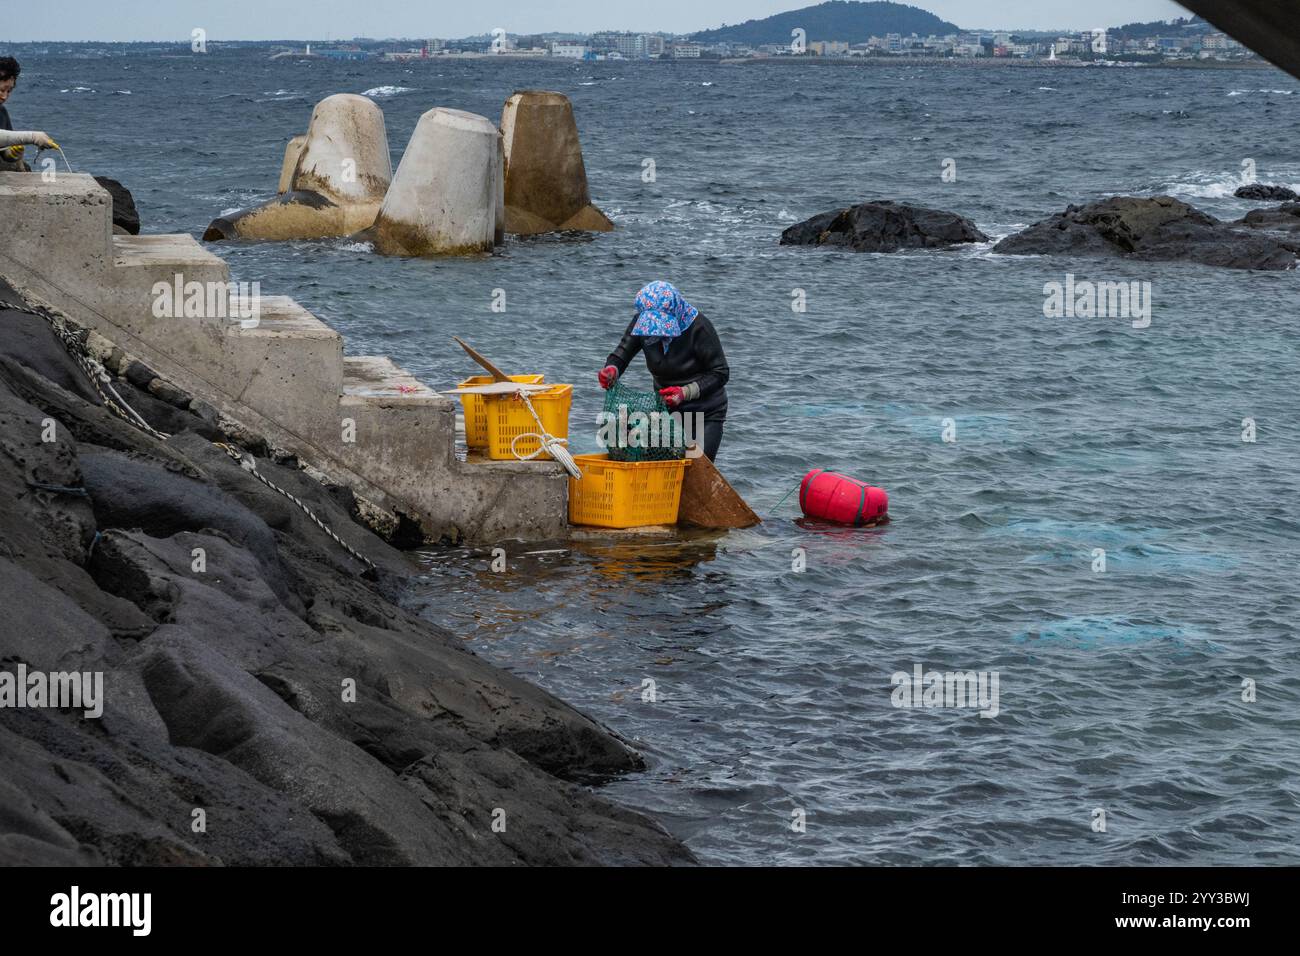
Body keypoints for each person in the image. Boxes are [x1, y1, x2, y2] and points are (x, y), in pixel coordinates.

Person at [598, 280, 730, 460]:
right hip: (667, 410)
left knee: (696, 470)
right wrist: (611, 370)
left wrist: (684, 393)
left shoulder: (699, 327)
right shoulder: (643, 322)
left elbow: (720, 372)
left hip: (705, 412)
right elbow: (621, 354)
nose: (657, 331)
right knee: (662, 466)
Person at [0, 57, 56, 172]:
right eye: (2, 90)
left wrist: (11, 154)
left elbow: (4, 149)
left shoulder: (2, 112)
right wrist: (32, 137)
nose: (5, 96)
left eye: (9, 91)